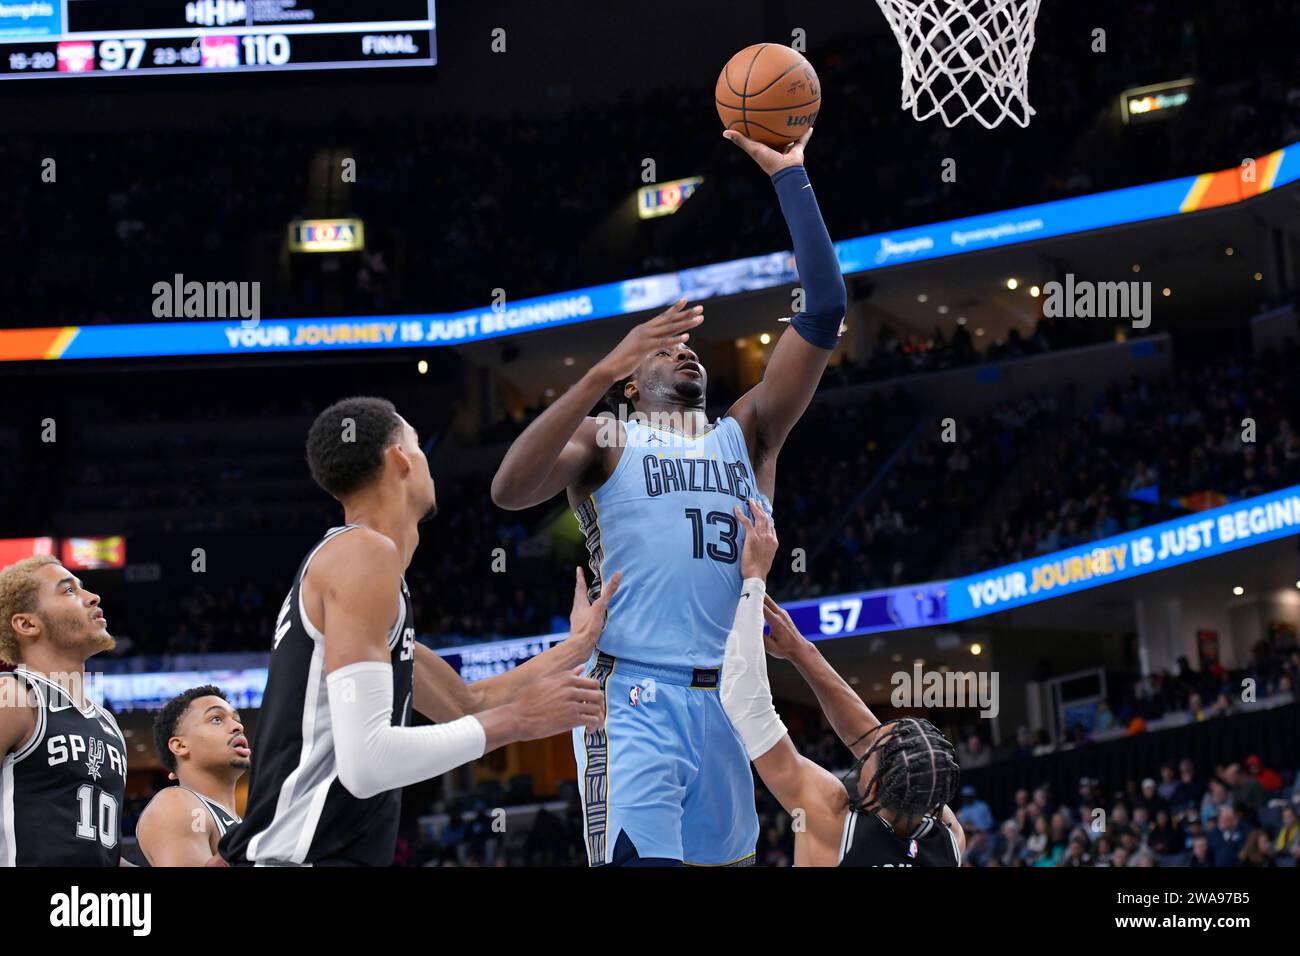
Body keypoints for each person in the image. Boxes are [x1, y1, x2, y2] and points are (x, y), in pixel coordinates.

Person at [491, 127, 847, 866]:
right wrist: (593, 374)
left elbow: (823, 309)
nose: (684, 350)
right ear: (628, 380)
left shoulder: (748, 433)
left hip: (728, 704)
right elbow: (509, 488)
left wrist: (792, 178)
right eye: (661, 348)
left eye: (687, 347)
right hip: (631, 704)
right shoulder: (606, 436)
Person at [219, 397, 615, 866]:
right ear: (400, 458)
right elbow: (367, 763)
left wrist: (576, 647)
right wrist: (520, 722)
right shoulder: (362, 556)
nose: (427, 459)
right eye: (418, 445)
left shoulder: (360, 571)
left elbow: (464, 704)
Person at [717, 501, 963, 866]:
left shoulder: (833, 821)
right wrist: (803, 653)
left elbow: (745, 702)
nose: (868, 738)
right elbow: (876, 748)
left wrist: (754, 579)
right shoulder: (948, 840)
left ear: (875, 783)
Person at [0, 557, 128, 866]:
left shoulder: (107, 723)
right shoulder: (14, 695)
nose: (92, 597)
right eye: (69, 590)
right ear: (28, 624)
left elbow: (101, 853)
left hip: (94, 913)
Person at [136, 686, 249, 866]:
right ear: (180, 746)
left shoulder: (236, 821)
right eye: (217, 719)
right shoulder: (178, 803)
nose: (238, 726)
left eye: (236, 719)